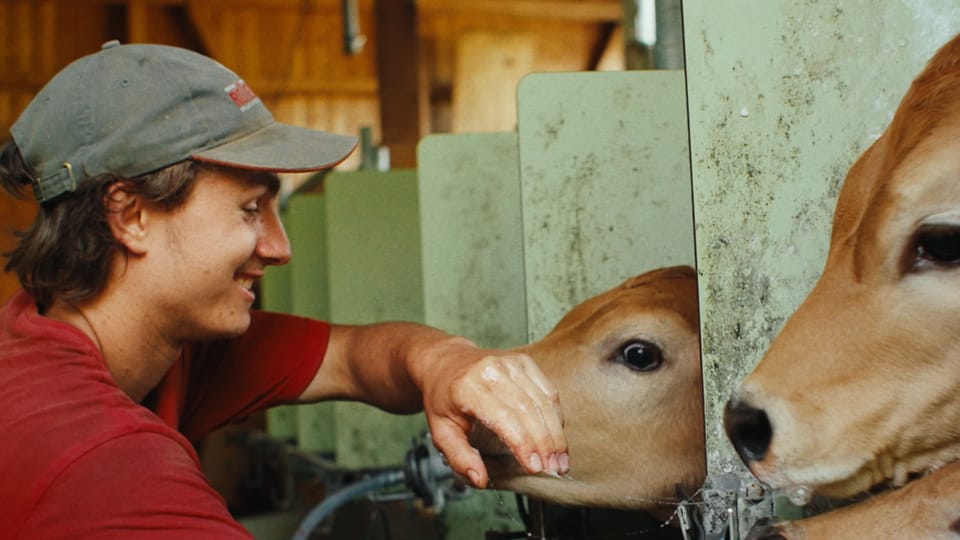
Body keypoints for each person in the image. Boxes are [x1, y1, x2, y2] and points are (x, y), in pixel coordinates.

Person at [0, 41, 567, 538]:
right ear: (130, 216)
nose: (280, 246)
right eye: (251, 210)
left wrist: (447, 363)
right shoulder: (100, 461)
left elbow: (352, 358)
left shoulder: (127, 347)